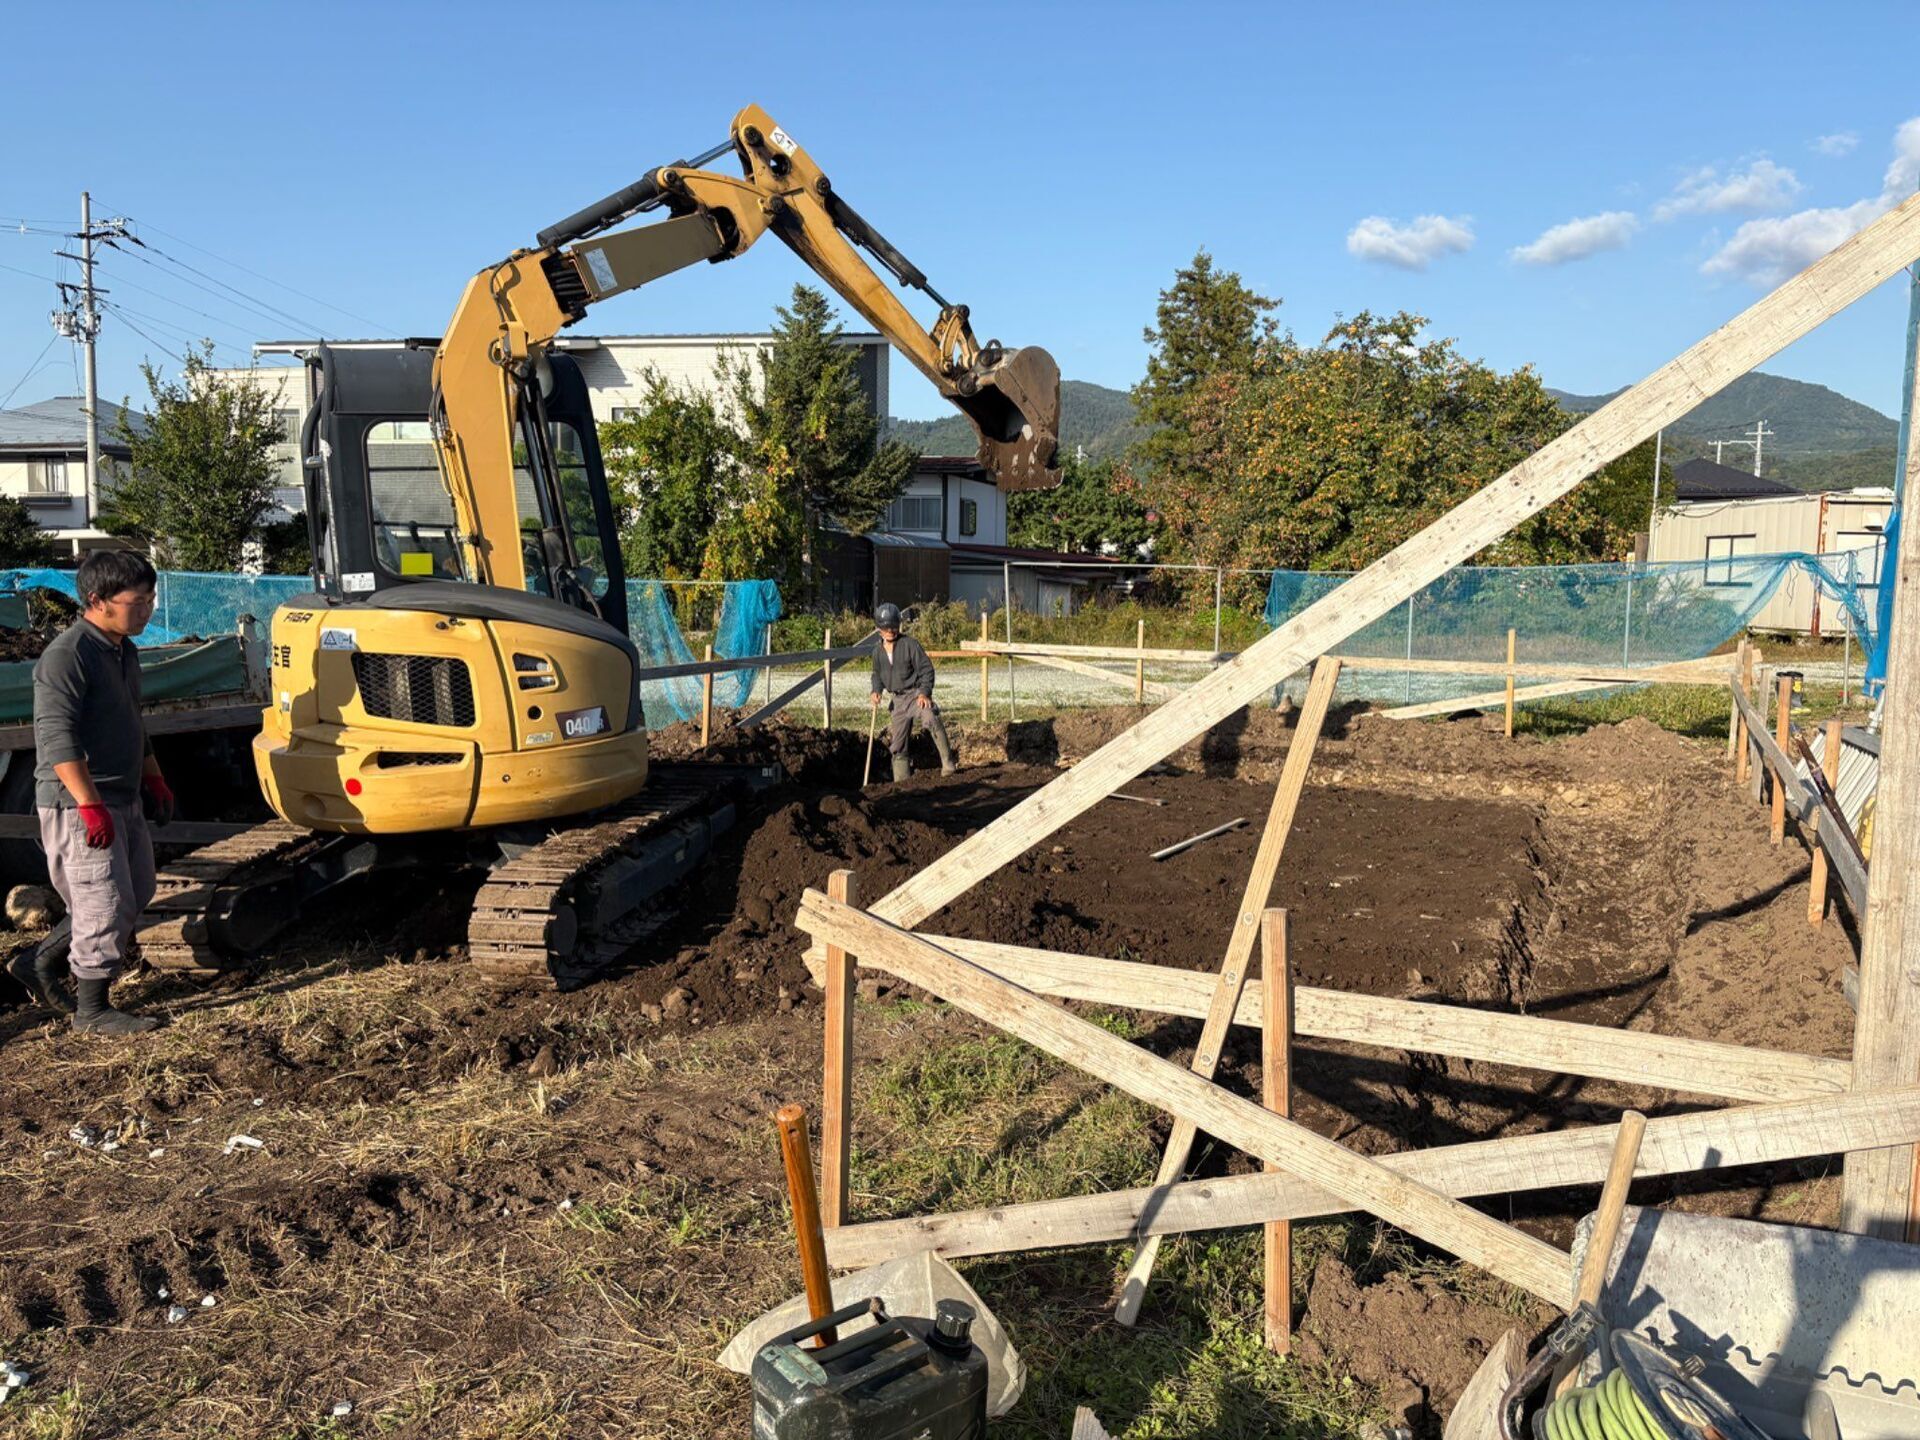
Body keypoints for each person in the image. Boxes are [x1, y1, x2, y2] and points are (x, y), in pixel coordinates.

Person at [26, 551, 174, 1034]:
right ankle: (91, 1012)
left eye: (151, 598)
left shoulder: (122, 650)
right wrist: (88, 805)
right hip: (80, 801)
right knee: (104, 905)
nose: (148, 609)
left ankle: (38, 961)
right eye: (139, 600)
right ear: (98, 601)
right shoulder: (68, 656)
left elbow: (133, 719)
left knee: (137, 890)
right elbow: (56, 735)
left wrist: (153, 777)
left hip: (121, 793)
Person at [869, 602, 956, 781]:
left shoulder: (910, 645)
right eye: (887, 628)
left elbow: (926, 670)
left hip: (915, 694)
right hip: (898, 701)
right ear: (879, 629)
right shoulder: (877, 652)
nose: (891, 630)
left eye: (894, 626)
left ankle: (948, 763)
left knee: (930, 716)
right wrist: (876, 690)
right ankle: (902, 782)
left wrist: (924, 692)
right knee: (898, 744)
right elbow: (877, 674)